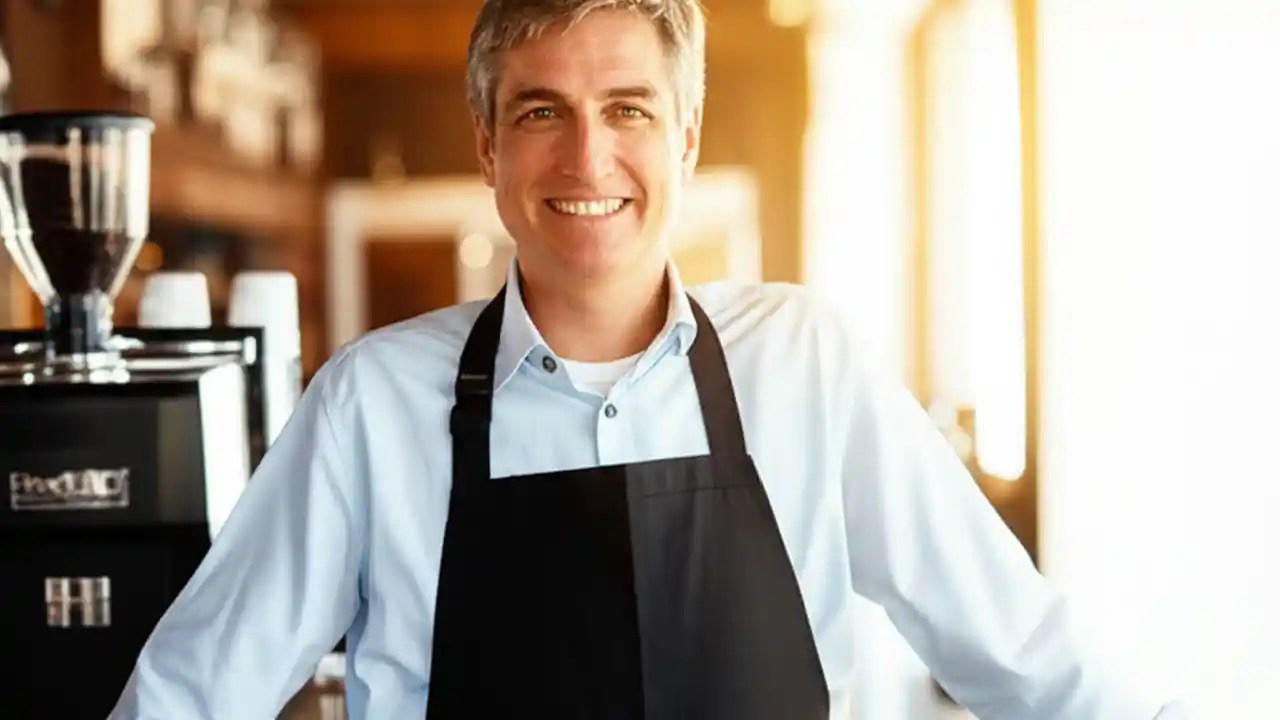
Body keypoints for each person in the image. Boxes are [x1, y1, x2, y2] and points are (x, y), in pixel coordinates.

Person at [111, 1, 1185, 718]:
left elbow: (1032, 661)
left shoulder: (804, 367)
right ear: (487, 145)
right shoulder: (371, 406)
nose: (588, 158)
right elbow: (189, 697)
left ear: (686, 137)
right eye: (542, 112)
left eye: (628, 109)